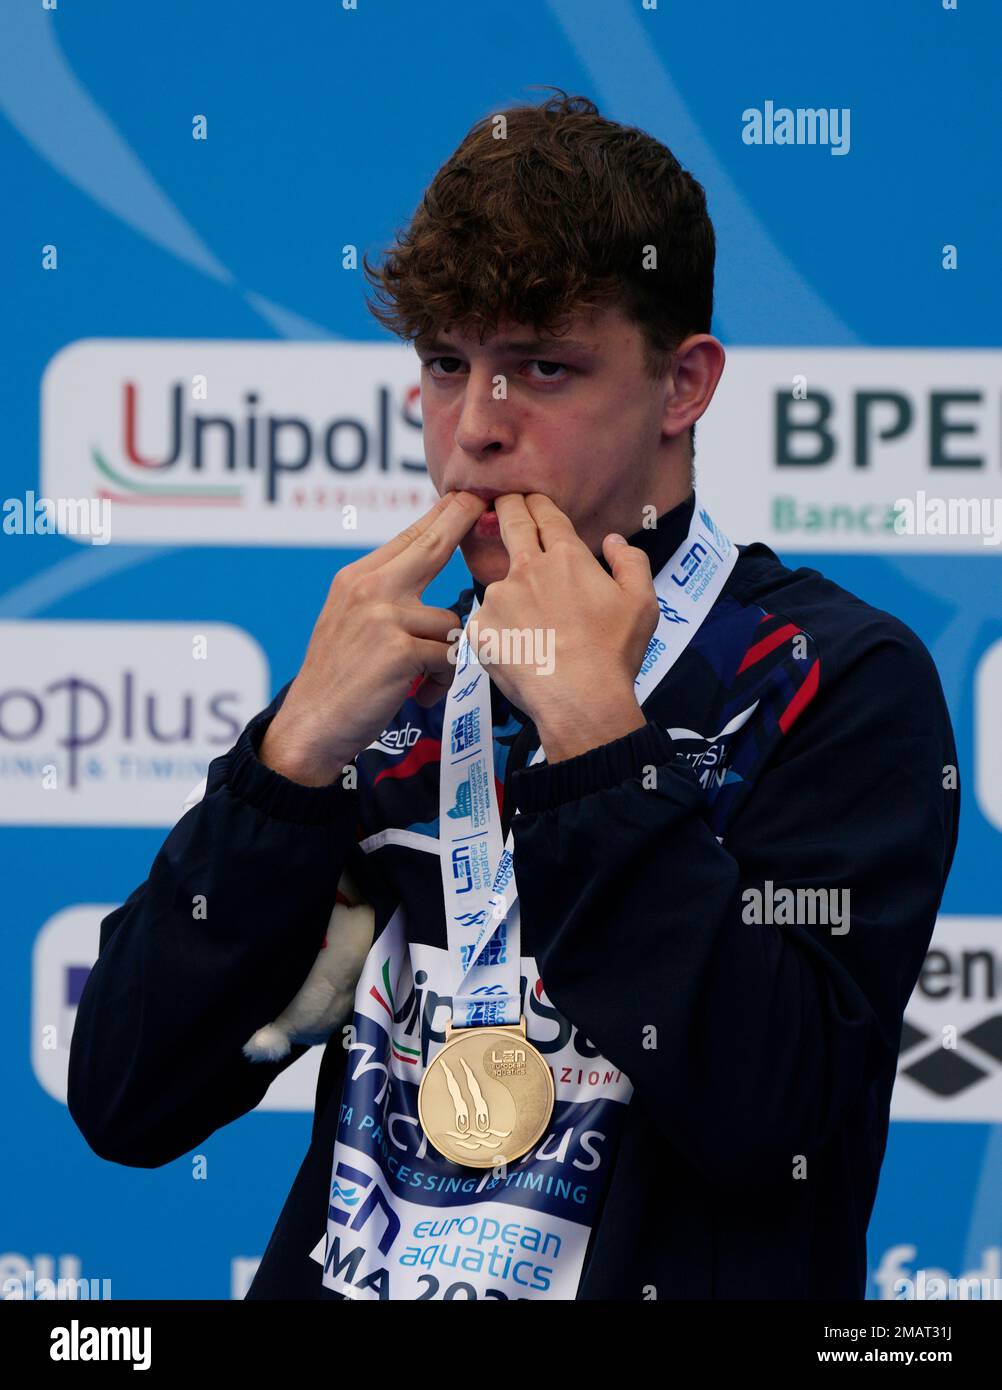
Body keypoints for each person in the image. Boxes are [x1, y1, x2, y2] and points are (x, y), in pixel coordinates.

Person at [68, 88, 959, 1300]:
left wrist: (598, 740)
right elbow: (126, 1098)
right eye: (447, 363)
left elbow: (780, 1124)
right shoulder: (396, 675)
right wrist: (281, 770)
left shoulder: (827, 676)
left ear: (684, 385)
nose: (472, 432)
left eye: (542, 367)